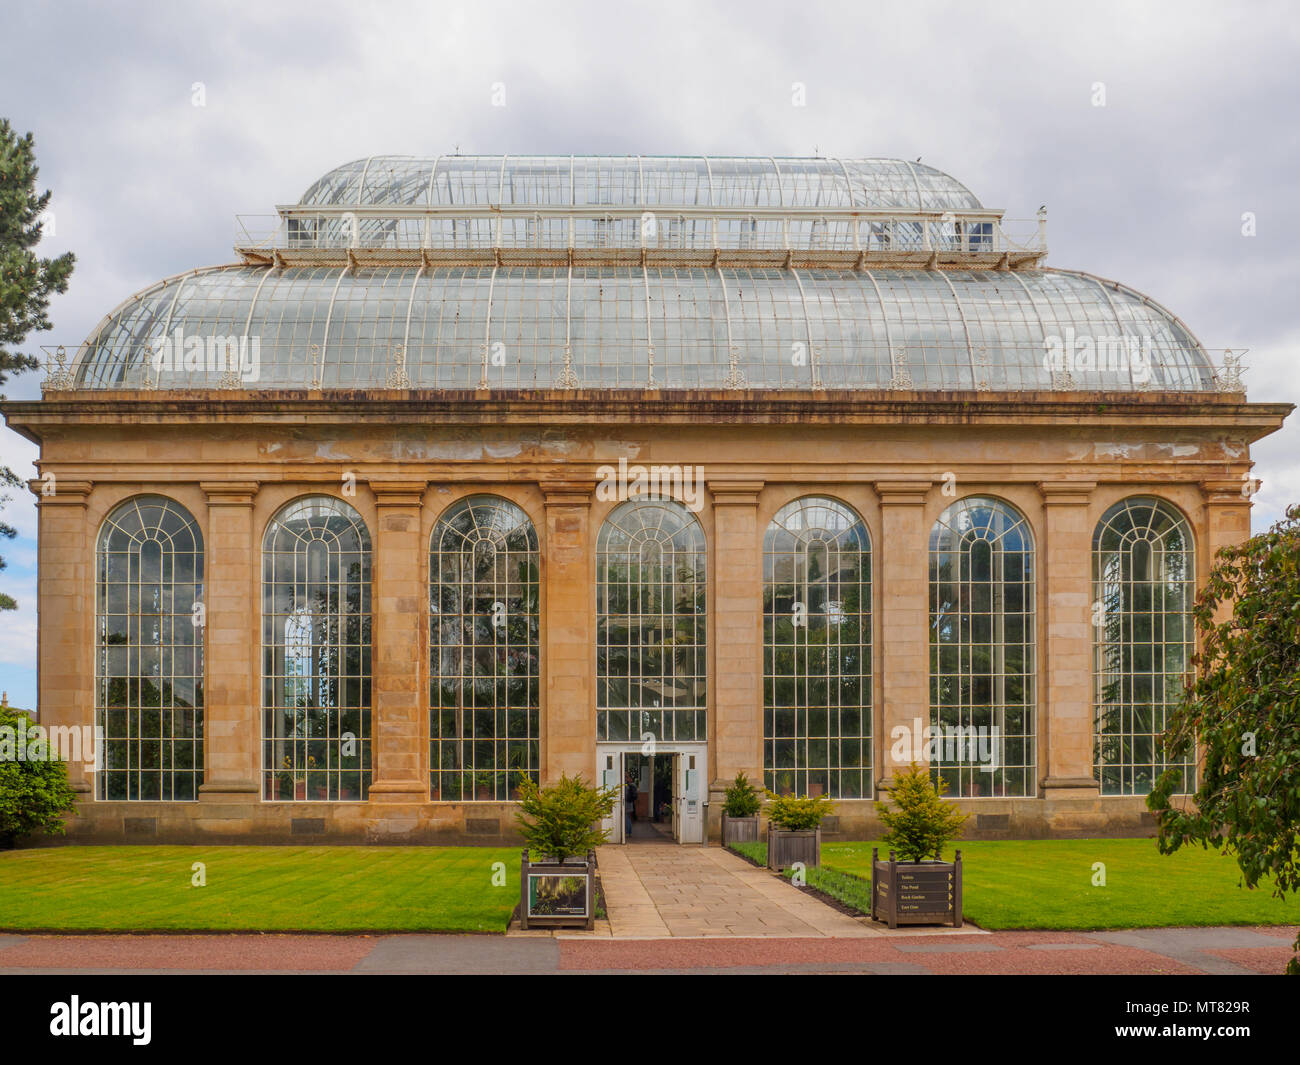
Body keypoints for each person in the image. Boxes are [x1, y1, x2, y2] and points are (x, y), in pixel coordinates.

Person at [624, 771, 638, 839]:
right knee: (628, 817)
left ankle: (627, 832)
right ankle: (629, 832)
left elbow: (625, 795)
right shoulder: (632, 784)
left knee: (626, 818)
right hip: (630, 803)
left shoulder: (626, 785)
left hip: (626, 803)